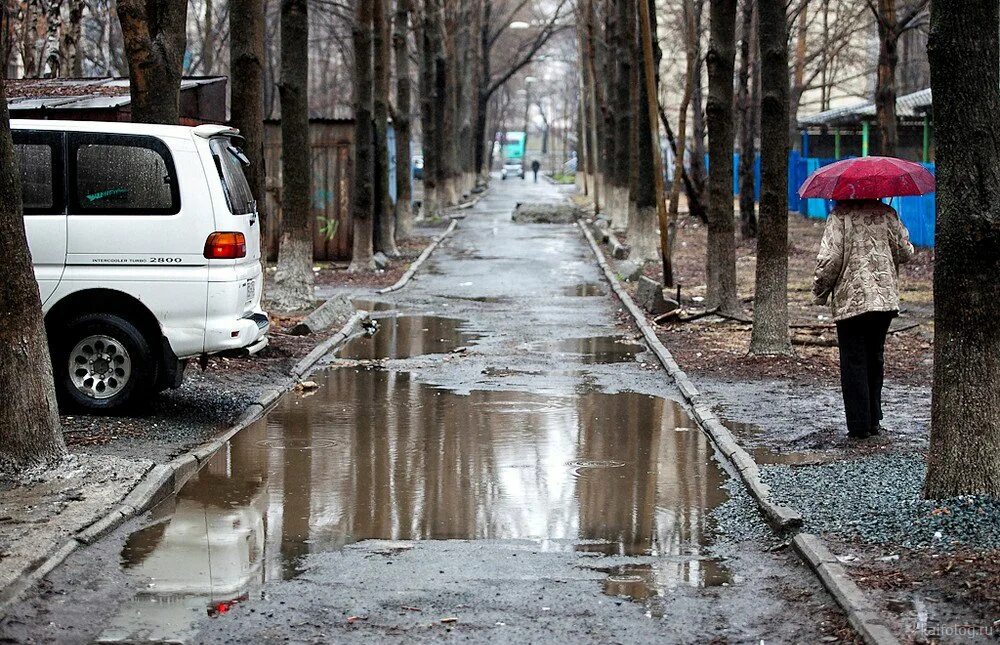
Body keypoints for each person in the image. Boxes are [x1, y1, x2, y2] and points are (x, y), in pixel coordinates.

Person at [812, 199, 914, 438]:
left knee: (854, 361)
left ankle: (859, 426)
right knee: (875, 356)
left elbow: (830, 260)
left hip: (852, 302)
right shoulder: (888, 213)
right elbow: (904, 251)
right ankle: (874, 420)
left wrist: (819, 292)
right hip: (884, 300)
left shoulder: (840, 216)